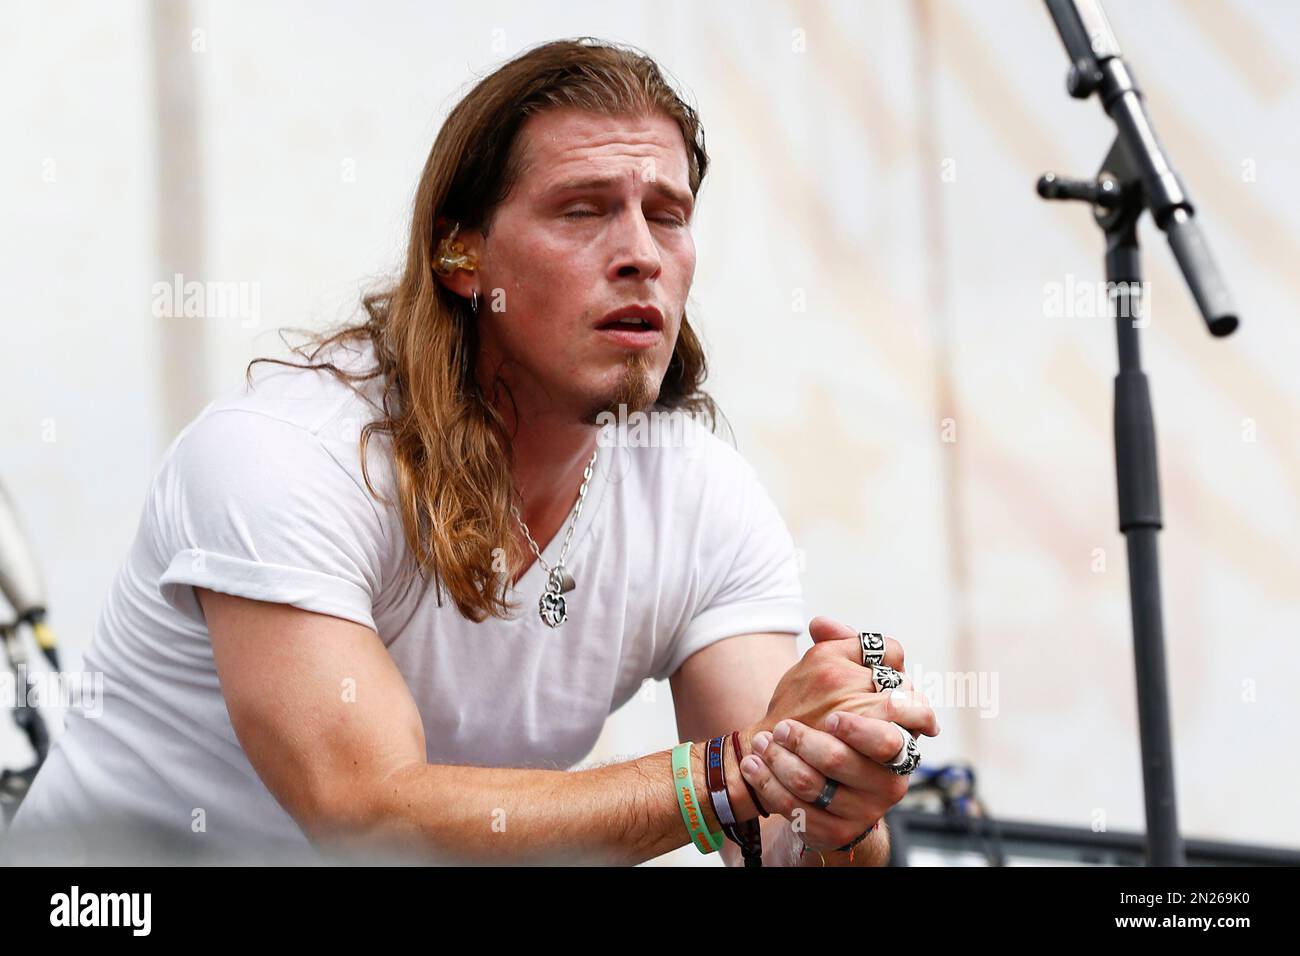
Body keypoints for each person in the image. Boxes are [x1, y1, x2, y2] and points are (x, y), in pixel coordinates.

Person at [8, 37, 938, 866]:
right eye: (583, 210)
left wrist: (833, 793)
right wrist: (728, 776)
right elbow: (366, 819)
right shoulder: (282, 455)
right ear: (460, 256)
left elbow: (776, 838)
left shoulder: (701, 497)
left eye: (667, 214)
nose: (640, 253)